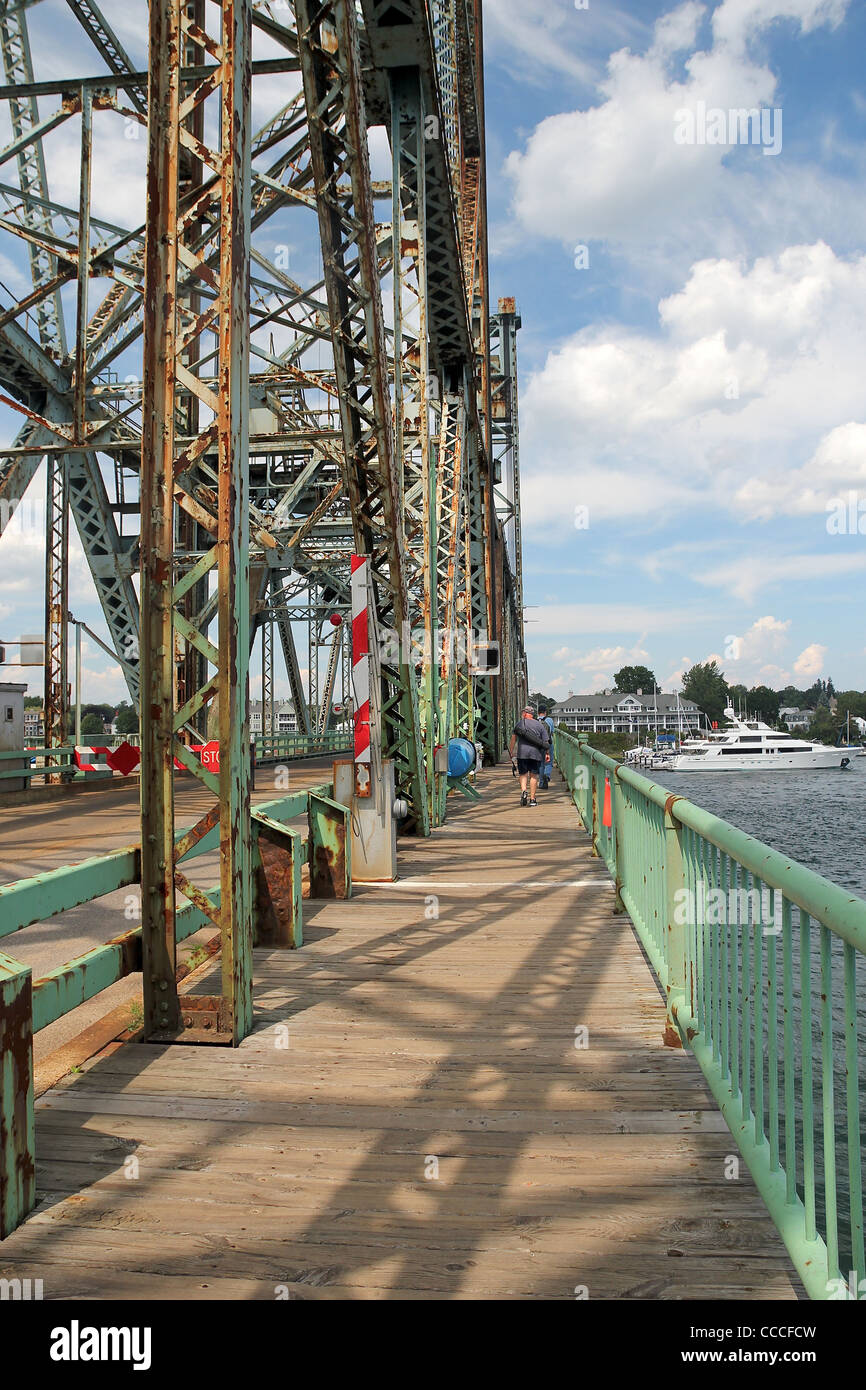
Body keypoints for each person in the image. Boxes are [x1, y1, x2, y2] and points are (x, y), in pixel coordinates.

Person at [508, 705, 550, 807]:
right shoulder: (539, 725)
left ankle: (523, 791)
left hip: (522, 753)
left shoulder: (519, 724)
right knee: (533, 776)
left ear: (524, 713)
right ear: (532, 714)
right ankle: (532, 799)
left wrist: (511, 752)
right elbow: (546, 741)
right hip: (535, 754)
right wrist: (547, 753)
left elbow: (513, 739)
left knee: (523, 774)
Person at [537, 705, 556, 789]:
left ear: (538, 712)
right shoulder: (549, 720)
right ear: (545, 712)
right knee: (549, 761)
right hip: (548, 743)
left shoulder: (535, 721)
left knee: (540, 763)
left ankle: (541, 782)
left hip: (538, 744)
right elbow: (552, 732)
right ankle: (547, 775)